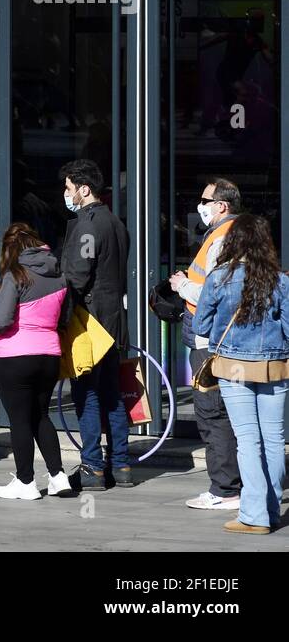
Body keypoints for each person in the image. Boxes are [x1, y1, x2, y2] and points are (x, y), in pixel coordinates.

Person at [193, 213, 289, 535]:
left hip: (232, 367)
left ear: (234, 241)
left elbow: (201, 326)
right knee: (273, 440)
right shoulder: (281, 280)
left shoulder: (220, 277)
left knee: (247, 440)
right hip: (274, 366)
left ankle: (254, 515)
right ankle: (271, 510)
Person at [58, 158, 133, 490]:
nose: (66, 193)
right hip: (114, 321)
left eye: (69, 188)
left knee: (87, 394)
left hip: (91, 323)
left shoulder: (88, 225)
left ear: (83, 189)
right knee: (112, 395)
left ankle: (92, 467)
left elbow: (78, 274)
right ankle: (122, 465)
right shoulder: (115, 222)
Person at [0, 223, 72, 500]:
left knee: (20, 420)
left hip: (16, 356)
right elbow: (65, 319)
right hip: (49, 355)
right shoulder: (60, 276)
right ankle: (59, 477)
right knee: (42, 416)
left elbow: (2, 320)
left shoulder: (16, 275)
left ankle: (25, 482)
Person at [170, 178, 242, 511]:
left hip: (209, 338)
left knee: (212, 414)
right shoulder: (234, 235)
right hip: (218, 337)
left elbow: (215, 296)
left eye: (205, 200)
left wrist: (182, 286)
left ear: (221, 206)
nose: (200, 205)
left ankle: (225, 489)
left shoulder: (222, 239)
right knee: (224, 413)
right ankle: (231, 485)